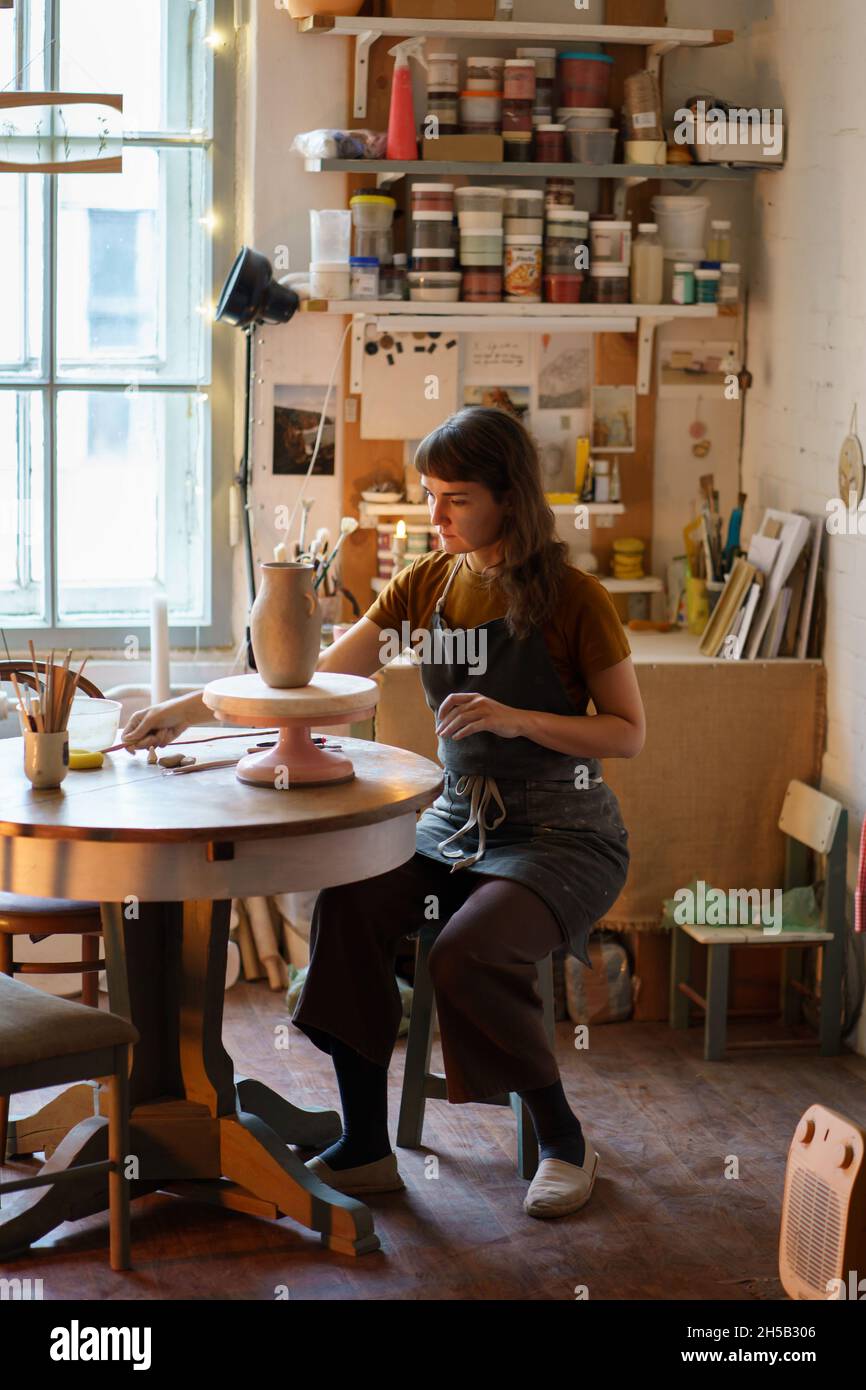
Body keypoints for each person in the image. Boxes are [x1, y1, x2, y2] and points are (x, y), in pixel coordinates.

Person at [121, 406, 645, 1220]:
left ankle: (563, 1137)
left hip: (563, 834)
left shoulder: (576, 598)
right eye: (429, 494)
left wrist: (517, 719)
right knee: (352, 901)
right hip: (458, 821)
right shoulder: (425, 583)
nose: (432, 516)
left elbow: (628, 732)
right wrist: (189, 706)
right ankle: (367, 1145)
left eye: (454, 499)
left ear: (510, 497)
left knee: (467, 951)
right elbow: (312, 685)